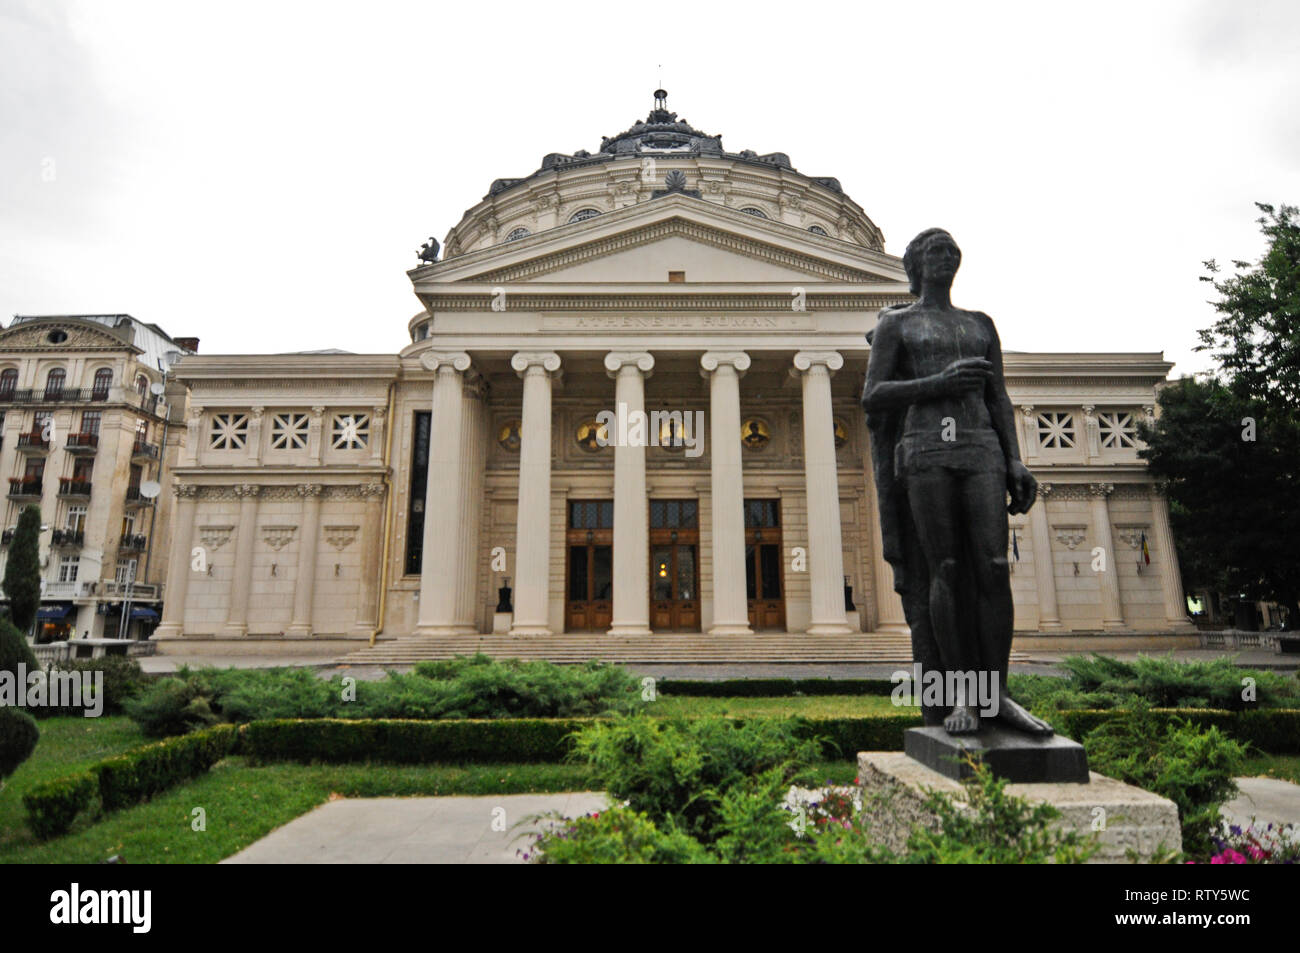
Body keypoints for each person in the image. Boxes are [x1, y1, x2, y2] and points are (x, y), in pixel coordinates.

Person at [863, 228, 1050, 736]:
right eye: (934, 251)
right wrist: (938, 383)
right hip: (925, 448)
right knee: (942, 568)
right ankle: (960, 693)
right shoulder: (896, 324)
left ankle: (997, 694)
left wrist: (1015, 460)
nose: (945, 258)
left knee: (993, 567)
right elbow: (873, 395)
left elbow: (999, 397)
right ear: (915, 265)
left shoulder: (979, 324)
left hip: (981, 447)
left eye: (951, 251)